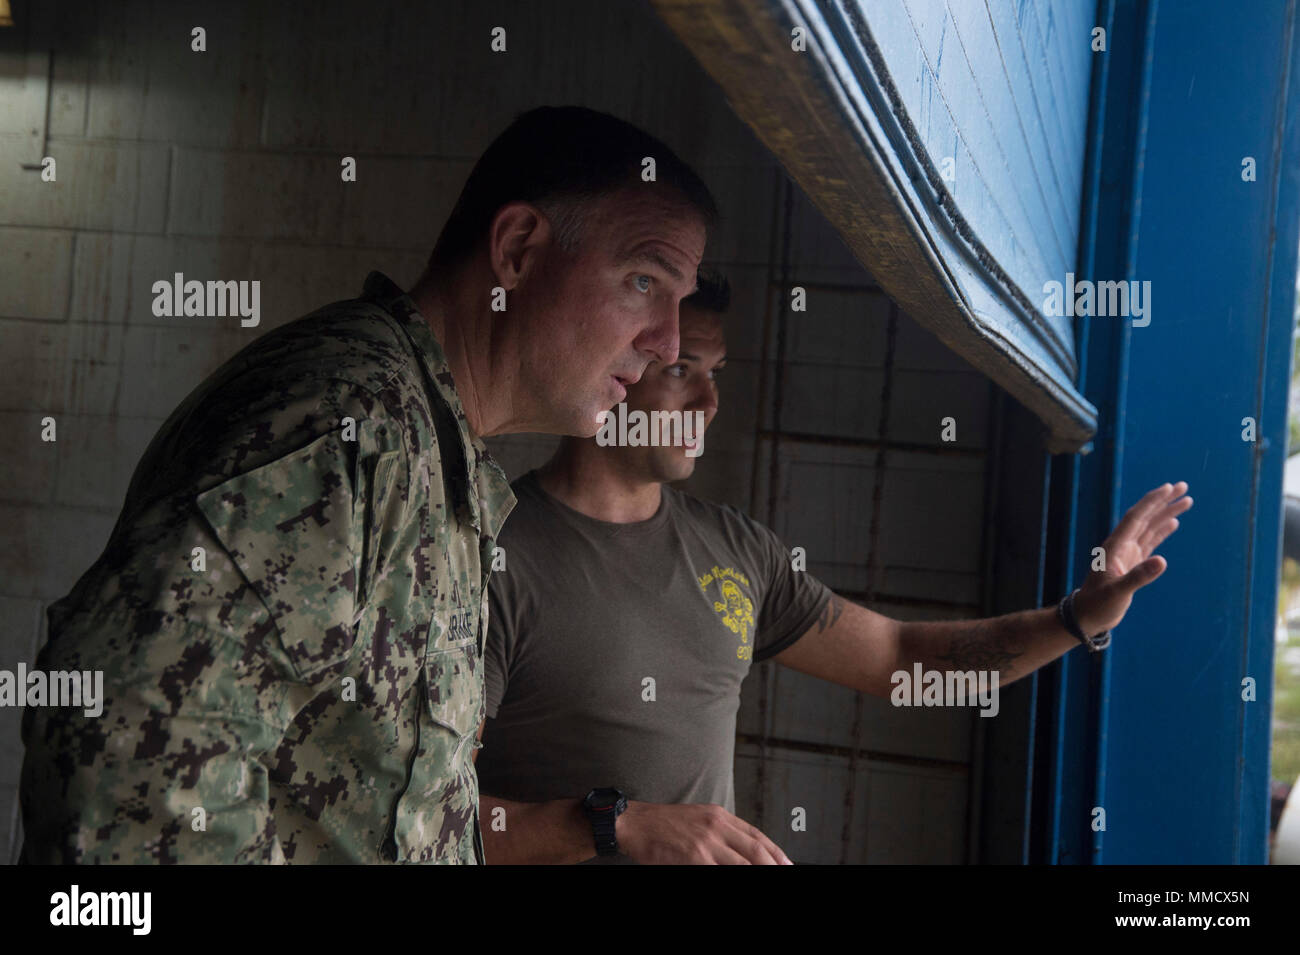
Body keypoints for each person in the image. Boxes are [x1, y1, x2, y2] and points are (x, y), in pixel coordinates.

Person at [19, 106, 715, 864]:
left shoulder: (434, 449)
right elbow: (130, 756)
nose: (668, 343)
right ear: (517, 251)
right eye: (644, 281)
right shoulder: (346, 428)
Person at [477, 271, 1193, 864]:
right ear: (618, 370)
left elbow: (900, 660)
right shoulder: (497, 557)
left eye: (715, 372)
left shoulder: (736, 550)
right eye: (679, 370)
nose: (710, 400)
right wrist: (614, 824)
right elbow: (419, 817)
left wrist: (1075, 619)